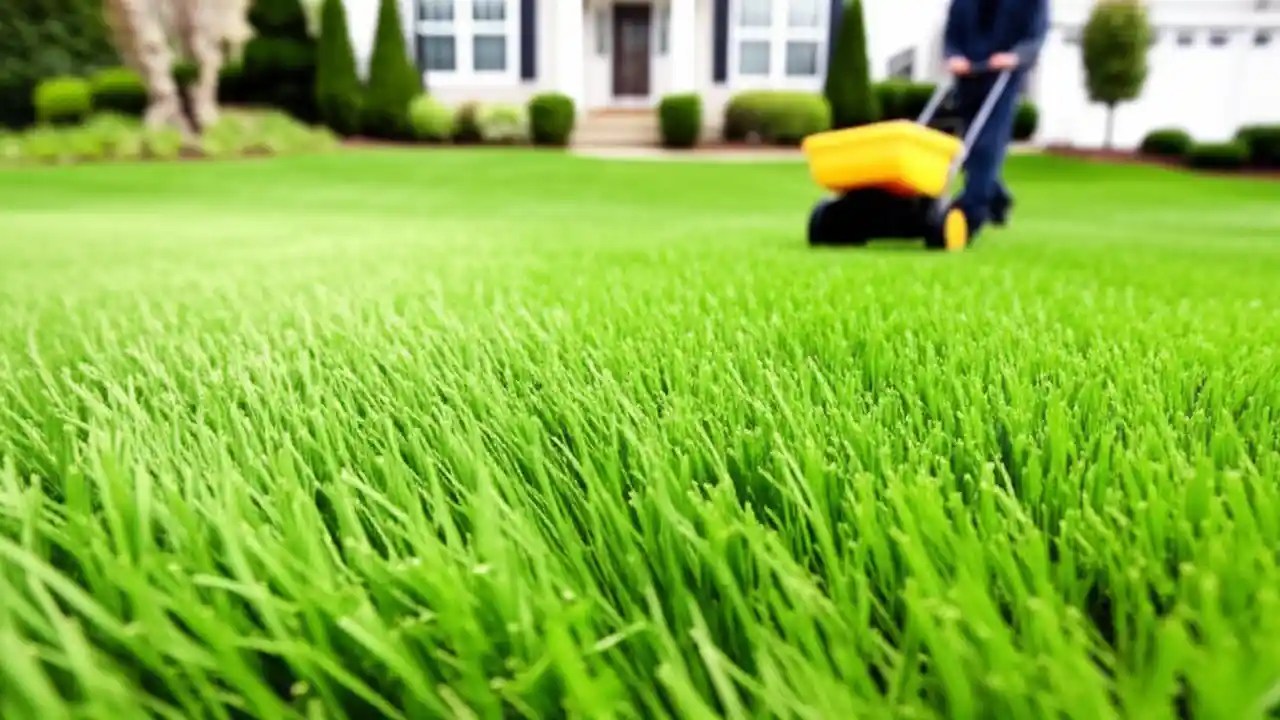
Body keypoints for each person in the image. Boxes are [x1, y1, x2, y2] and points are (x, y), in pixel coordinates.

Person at [942, 0, 1049, 238]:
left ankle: (972, 213)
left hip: (1002, 77)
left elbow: (1036, 36)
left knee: (987, 145)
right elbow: (952, 32)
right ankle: (998, 199)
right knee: (967, 149)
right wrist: (953, 55)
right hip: (968, 75)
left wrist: (1016, 57)